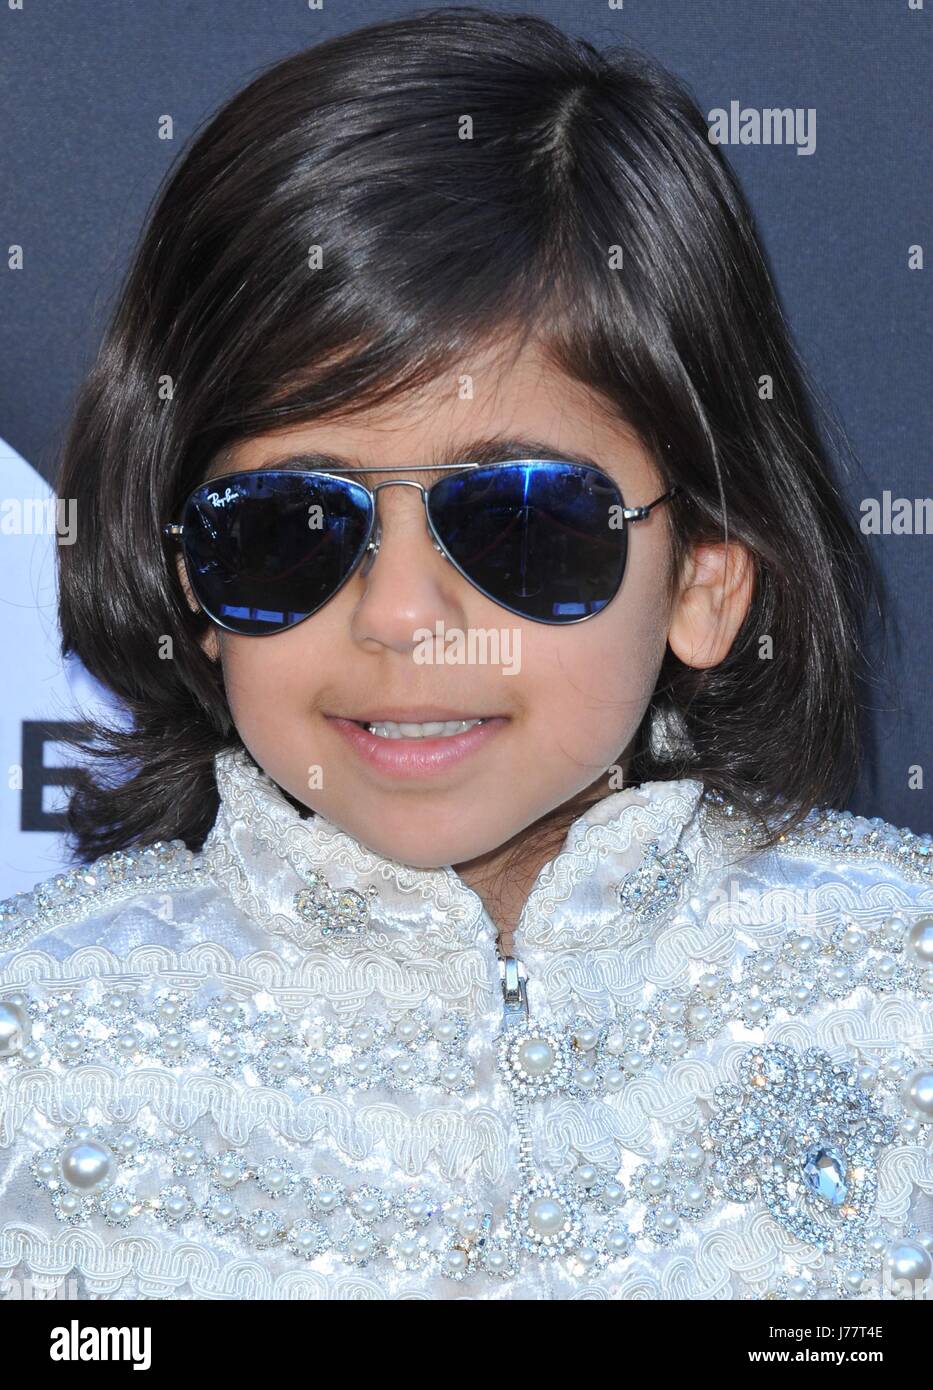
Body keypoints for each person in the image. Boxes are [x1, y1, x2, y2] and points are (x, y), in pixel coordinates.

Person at [1, 7, 931, 1301]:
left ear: (704, 580)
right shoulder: (41, 1043)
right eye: (287, 532)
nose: (397, 614)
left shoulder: (899, 1000)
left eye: (521, 523)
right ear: (190, 588)